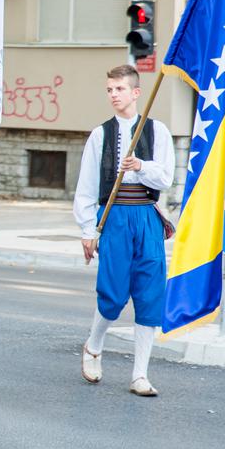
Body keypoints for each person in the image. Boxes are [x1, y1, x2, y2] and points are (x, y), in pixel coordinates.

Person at [74, 64, 174, 397]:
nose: (114, 95)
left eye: (119, 89)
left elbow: (165, 179)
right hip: (114, 217)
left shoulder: (158, 131)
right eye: (109, 90)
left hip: (147, 215)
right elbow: (87, 187)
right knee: (113, 293)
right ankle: (94, 343)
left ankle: (139, 374)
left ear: (136, 92)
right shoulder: (100, 134)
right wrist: (88, 230)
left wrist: (141, 166)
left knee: (150, 293)